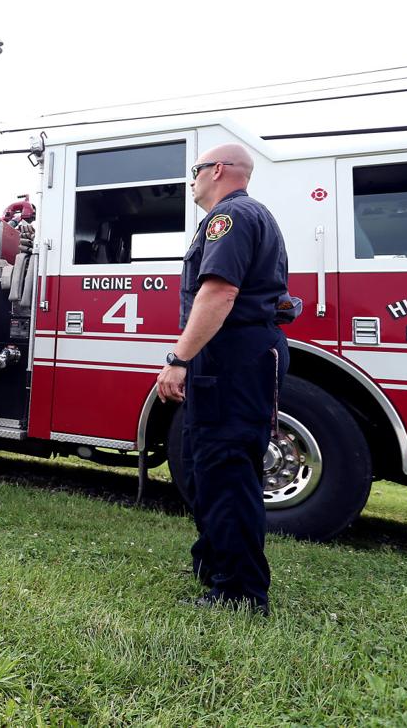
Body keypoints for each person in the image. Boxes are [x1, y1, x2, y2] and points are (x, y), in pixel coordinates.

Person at [155, 143, 290, 616]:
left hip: (233, 360)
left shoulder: (229, 218)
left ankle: (240, 593)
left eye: (195, 170)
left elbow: (219, 293)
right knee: (204, 468)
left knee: (227, 473)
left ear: (216, 170)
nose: (191, 180)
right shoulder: (245, 216)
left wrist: (178, 358)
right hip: (229, 359)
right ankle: (214, 564)